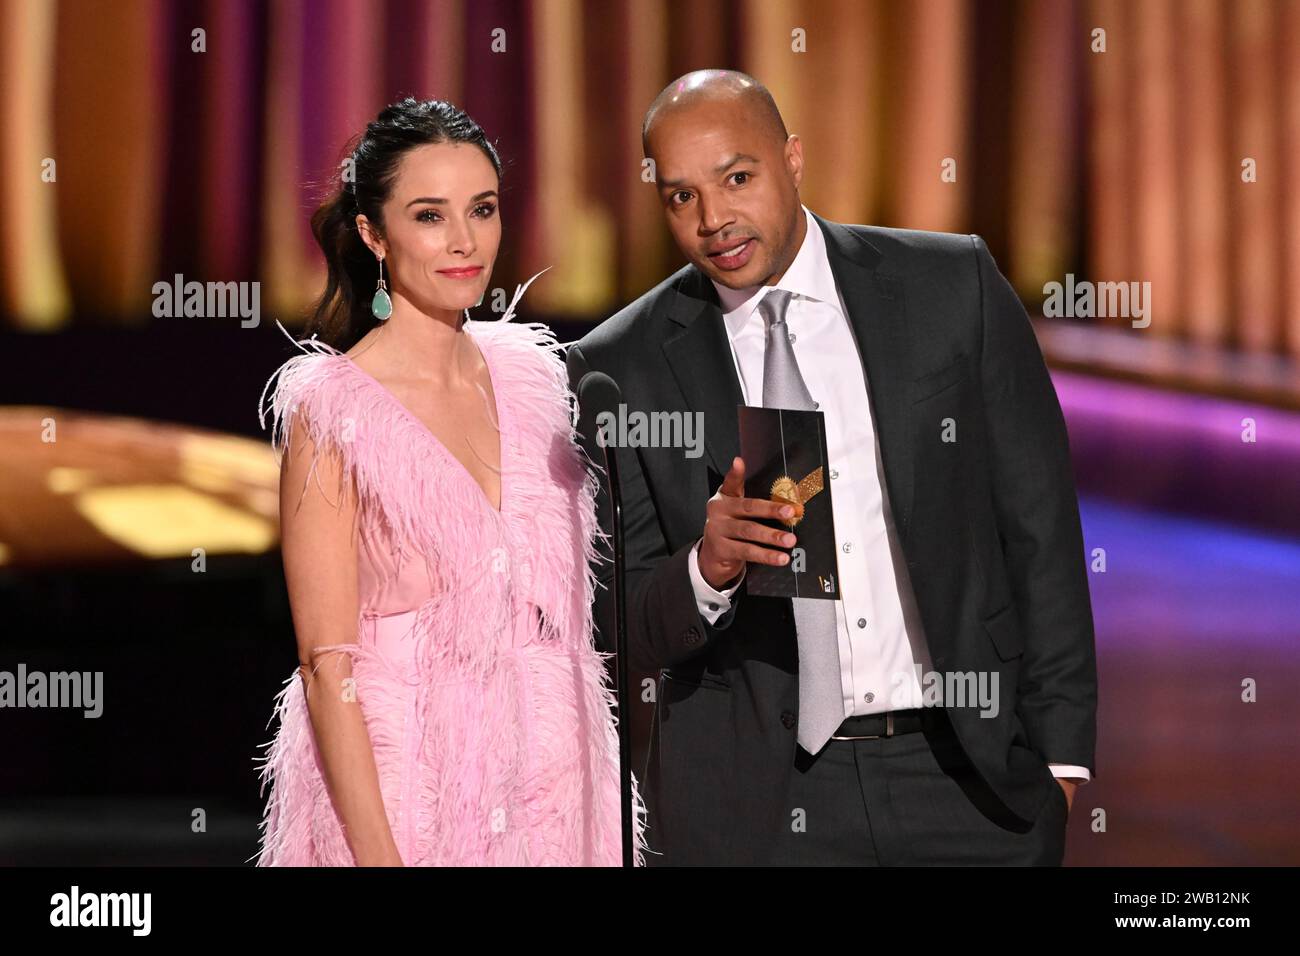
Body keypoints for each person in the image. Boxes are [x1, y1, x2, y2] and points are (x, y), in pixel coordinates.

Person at [566, 70, 1097, 865]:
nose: (714, 220)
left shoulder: (951, 289)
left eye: (737, 178)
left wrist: (1058, 768)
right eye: (681, 197)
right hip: (757, 807)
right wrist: (707, 571)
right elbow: (619, 624)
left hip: (963, 781)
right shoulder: (620, 364)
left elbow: (1041, 529)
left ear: (794, 158)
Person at [252, 97, 645, 866]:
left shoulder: (534, 378)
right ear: (373, 234)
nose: (465, 241)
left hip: (554, 797)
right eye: (430, 216)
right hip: (406, 803)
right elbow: (327, 668)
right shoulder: (332, 410)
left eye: (483, 209)